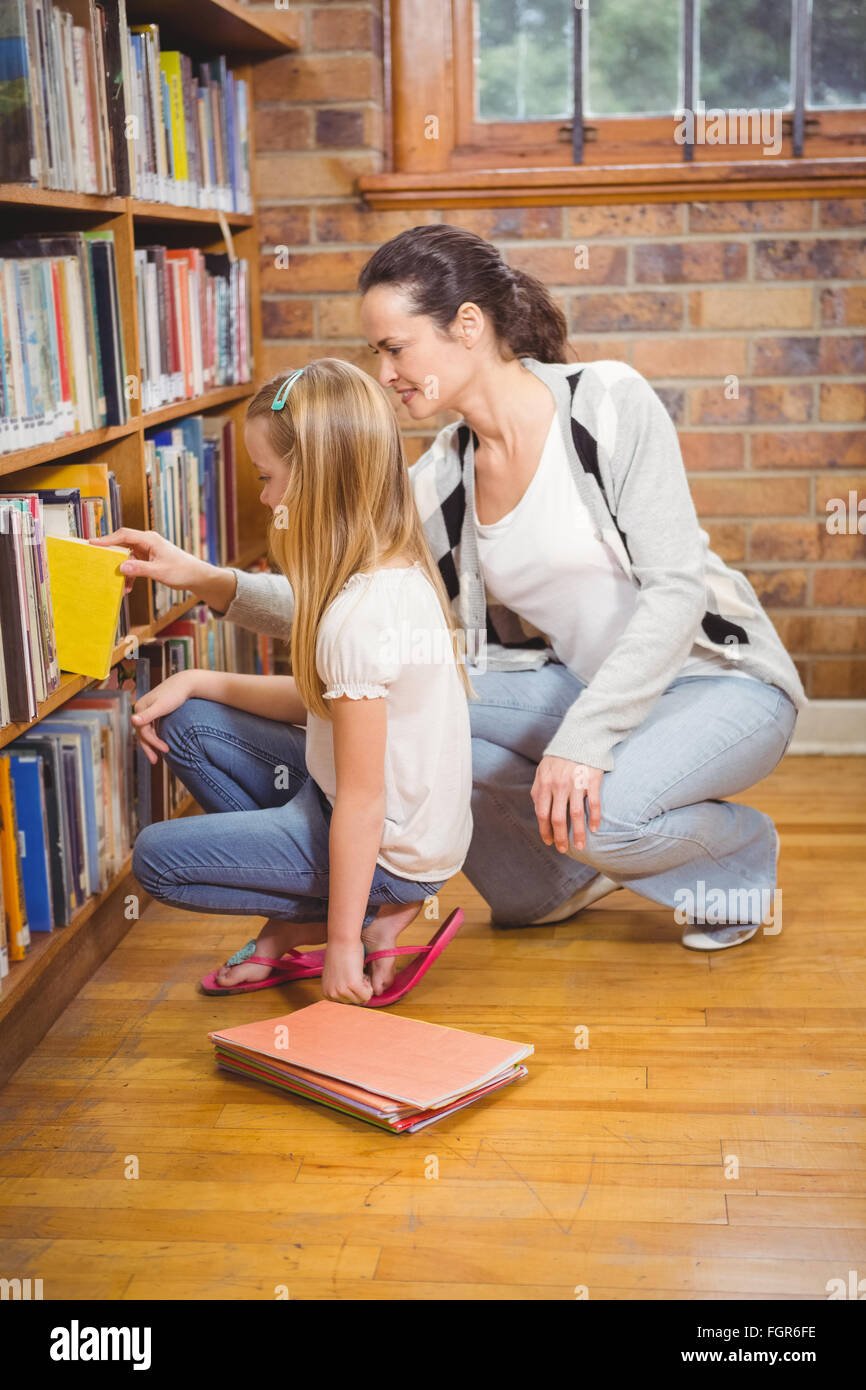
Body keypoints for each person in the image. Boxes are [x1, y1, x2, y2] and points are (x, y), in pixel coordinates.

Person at [97, 223, 806, 951]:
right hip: (579, 683)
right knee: (426, 713)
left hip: (719, 680)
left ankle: (737, 862)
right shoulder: (444, 474)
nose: (384, 373)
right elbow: (358, 614)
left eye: (395, 347)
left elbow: (677, 592)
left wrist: (583, 744)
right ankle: (555, 879)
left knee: (611, 811)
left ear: (467, 326)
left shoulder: (608, 402)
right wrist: (212, 582)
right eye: (376, 352)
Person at [114, 358, 474, 1004]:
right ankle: (337, 896)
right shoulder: (396, 569)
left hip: (384, 844)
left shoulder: (357, 615)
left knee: (154, 858)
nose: (263, 498)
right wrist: (197, 679)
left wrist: (338, 949)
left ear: (316, 482)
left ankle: (344, 919)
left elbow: (363, 802)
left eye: (267, 478)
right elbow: (323, 708)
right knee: (184, 722)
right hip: (361, 807)